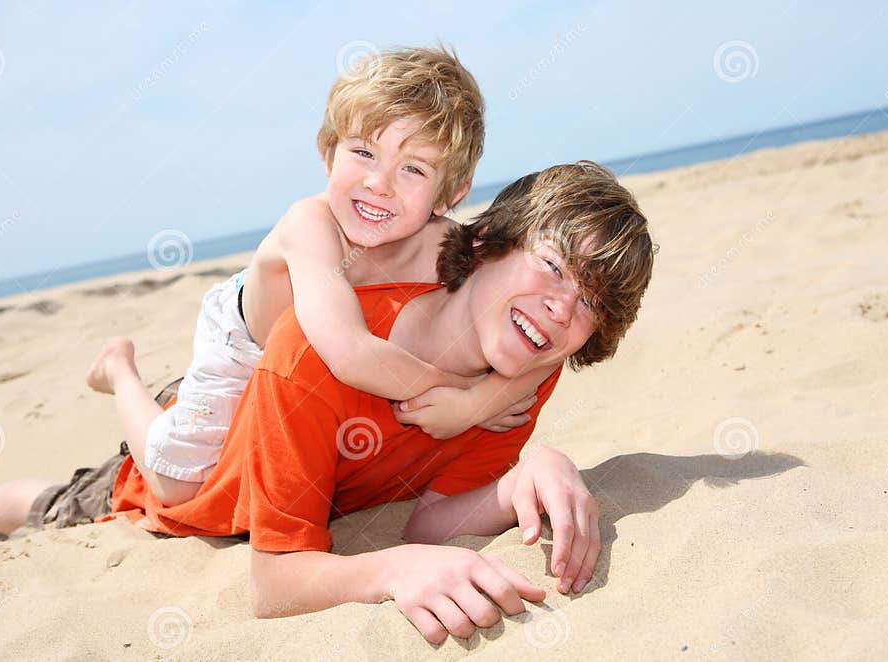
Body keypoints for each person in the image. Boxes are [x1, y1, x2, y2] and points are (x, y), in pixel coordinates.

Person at [0, 161, 655, 645]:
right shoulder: (323, 348)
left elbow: (436, 518)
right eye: (554, 265)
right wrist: (388, 571)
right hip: (201, 464)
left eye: (590, 302)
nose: (561, 308)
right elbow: (273, 582)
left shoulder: (527, 361)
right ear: (488, 243)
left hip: (278, 423)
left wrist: (527, 477)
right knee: (70, 501)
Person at [84, 45, 552, 508]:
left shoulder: (445, 243)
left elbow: (549, 331)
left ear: (448, 195)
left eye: (412, 168)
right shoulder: (309, 225)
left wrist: (476, 405)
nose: (379, 183)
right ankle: (120, 369)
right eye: (363, 152)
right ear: (328, 155)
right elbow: (350, 353)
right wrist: (468, 395)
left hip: (313, 368)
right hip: (247, 344)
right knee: (176, 486)